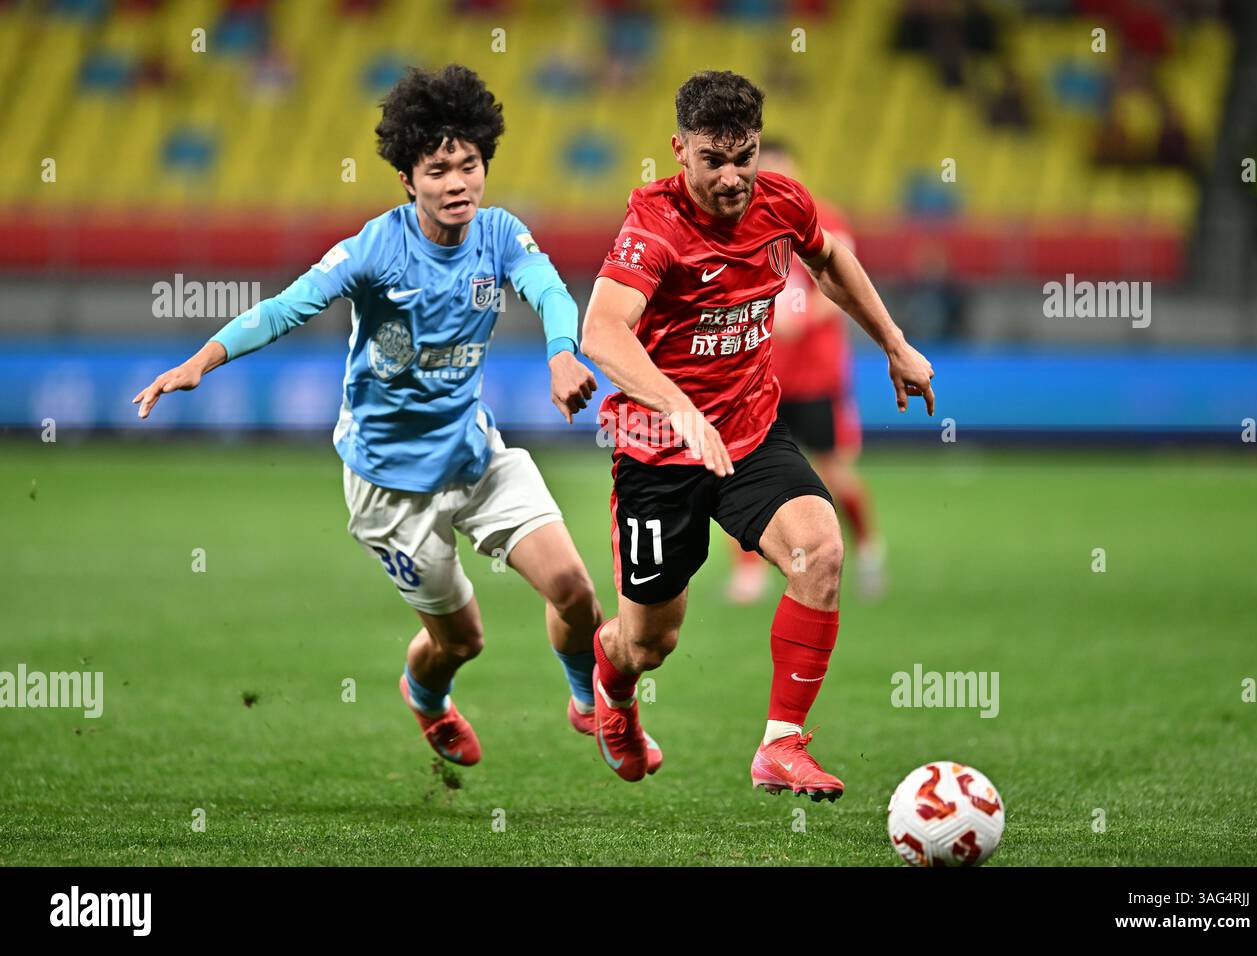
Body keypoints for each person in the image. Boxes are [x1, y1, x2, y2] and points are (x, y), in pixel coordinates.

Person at [132, 64, 662, 773]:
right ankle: (426, 697)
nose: (457, 183)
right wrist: (206, 357)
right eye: (438, 168)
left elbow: (550, 291)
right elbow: (288, 306)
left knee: (574, 588)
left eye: (468, 165)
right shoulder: (376, 248)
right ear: (408, 178)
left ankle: (585, 703)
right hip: (389, 486)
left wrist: (562, 354)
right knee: (462, 641)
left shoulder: (500, 235)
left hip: (475, 457)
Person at [581, 71, 935, 800]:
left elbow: (831, 260)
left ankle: (781, 745)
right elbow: (602, 332)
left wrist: (894, 343)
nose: (734, 176)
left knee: (821, 549)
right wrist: (679, 409)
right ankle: (612, 694)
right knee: (650, 643)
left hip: (749, 432)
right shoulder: (654, 227)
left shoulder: (781, 202)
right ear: (680, 151)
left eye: (745, 156)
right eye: (715, 159)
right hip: (659, 450)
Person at [726, 139, 885, 606]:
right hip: (762, 376)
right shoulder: (739, 225)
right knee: (745, 470)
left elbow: (841, 283)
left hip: (816, 376)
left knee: (834, 471)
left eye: (781, 169)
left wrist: (799, 317)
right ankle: (748, 571)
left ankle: (869, 549)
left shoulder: (824, 220)